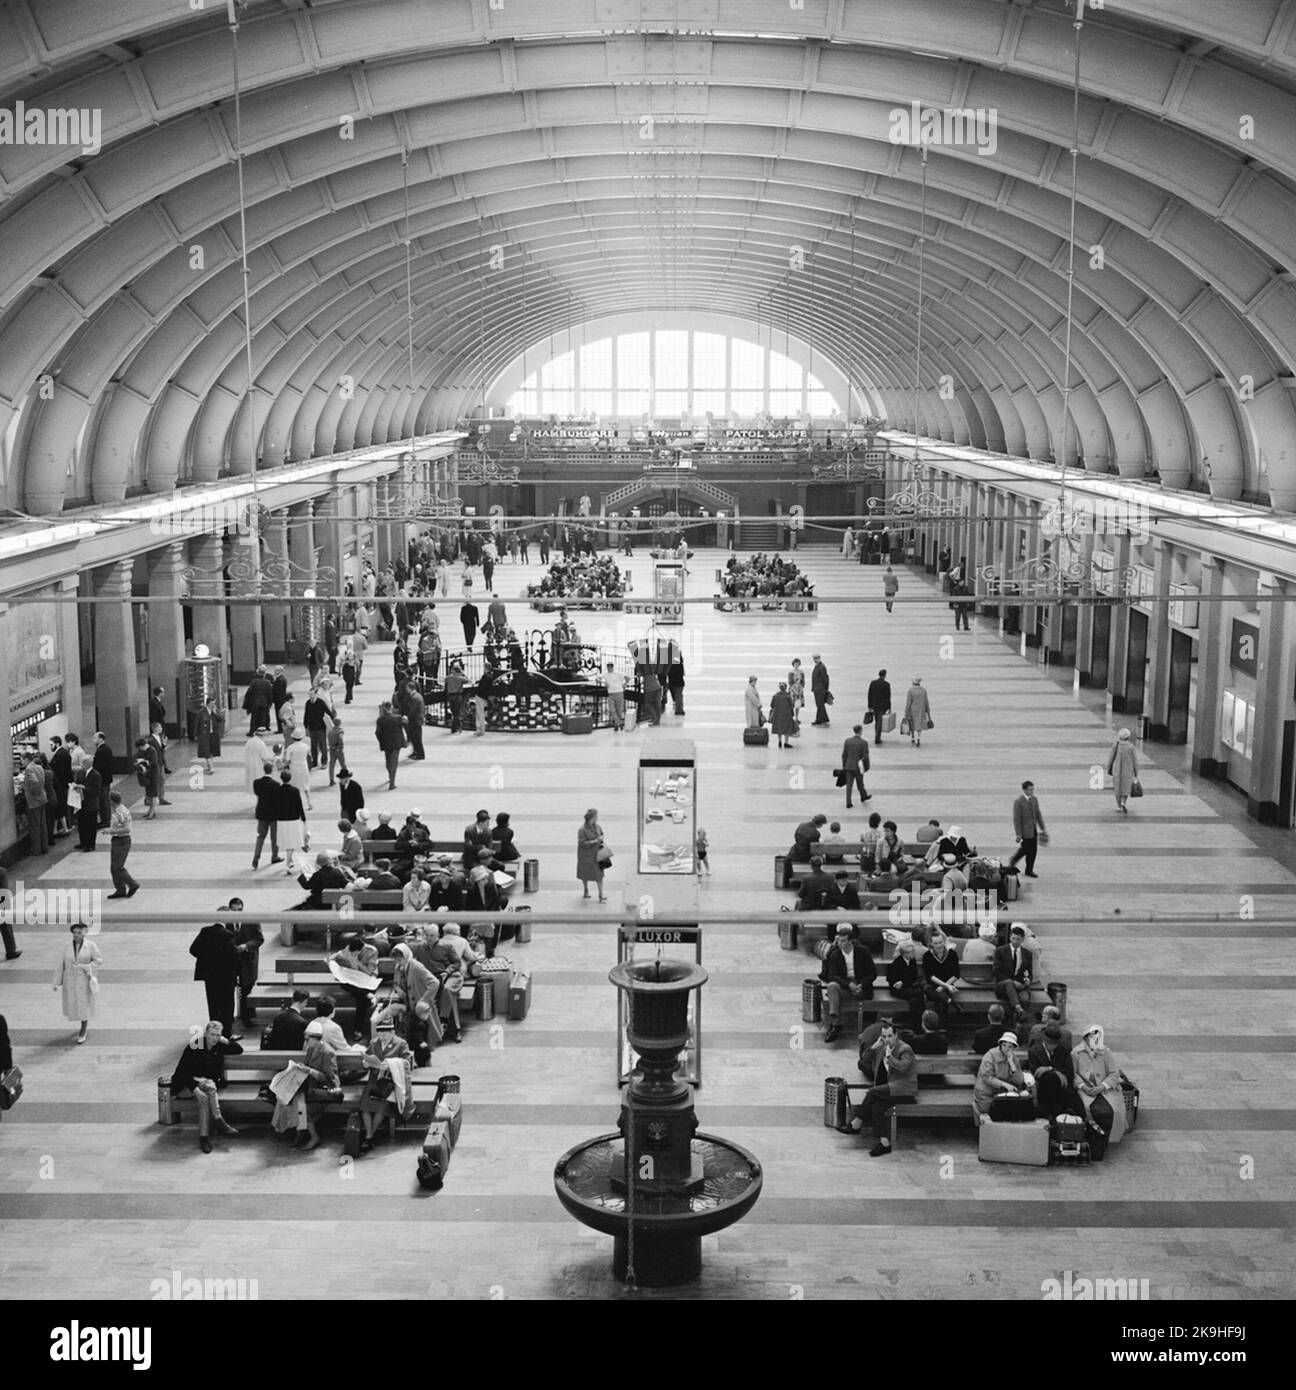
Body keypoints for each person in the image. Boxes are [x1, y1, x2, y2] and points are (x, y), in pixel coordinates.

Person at [170, 1021, 243, 1153]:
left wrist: (224, 1040)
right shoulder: (195, 1046)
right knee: (209, 1087)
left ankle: (204, 1137)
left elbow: (238, 1049)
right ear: (205, 1034)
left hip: (204, 1085)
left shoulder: (219, 1046)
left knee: (205, 1095)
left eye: (217, 1035)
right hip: (184, 1086)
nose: (214, 1038)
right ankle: (218, 1120)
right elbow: (182, 1073)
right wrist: (195, 1089)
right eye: (212, 1034)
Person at [856, 1020, 917, 1156]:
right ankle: (885, 1144)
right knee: (877, 1106)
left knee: (872, 1092)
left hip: (904, 1089)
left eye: (889, 1036)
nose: (887, 1040)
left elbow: (903, 1068)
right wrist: (874, 1047)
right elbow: (864, 1062)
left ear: (896, 1035)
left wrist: (889, 1057)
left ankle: (856, 1123)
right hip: (889, 1090)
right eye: (884, 1037)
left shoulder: (904, 1049)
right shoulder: (881, 1049)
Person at [357, 1016, 415, 1151]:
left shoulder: (401, 1044)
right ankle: (370, 1135)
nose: (382, 1036)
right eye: (380, 1033)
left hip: (390, 1082)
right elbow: (367, 1057)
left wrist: (390, 1065)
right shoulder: (373, 1043)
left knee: (380, 1108)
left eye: (385, 1033)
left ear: (392, 1032)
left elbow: (407, 1063)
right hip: (374, 1080)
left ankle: (369, 1137)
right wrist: (366, 1063)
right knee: (364, 1108)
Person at [1072, 1024, 1126, 1144]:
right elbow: (1073, 1074)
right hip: (1086, 1089)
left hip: (1106, 1089)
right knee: (1088, 1109)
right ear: (1086, 1038)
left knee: (1114, 1110)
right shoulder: (1076, 1053)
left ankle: (1109, 1137)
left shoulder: (1106, 1052)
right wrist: (1083, 1086)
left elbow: (1114, 1073)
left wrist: (1102, 1086)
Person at [820, 925, 875, 1043]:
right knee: (832, 986)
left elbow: (872, 973)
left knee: (833, 994)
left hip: (861, 985)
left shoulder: (862, 951)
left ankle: (835, 1025)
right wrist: (848, 984)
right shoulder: (835, 954)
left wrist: (862, 985)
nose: (840, 943)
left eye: (843, 940)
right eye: (839, 940)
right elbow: (832, 976)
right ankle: (836, 1023)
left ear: (850, 941)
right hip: (845, 986)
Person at [189, 915, 240, 1038]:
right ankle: (226, 1034)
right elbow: (234, 955)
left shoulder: (205, 931)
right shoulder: (227, 934)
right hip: (226, 977)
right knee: (227, 1007)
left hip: (209, 977)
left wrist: (207, 959)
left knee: (213, 1005)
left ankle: (214, 1034)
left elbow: (193, 949)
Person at [53, 922, 101, 1044]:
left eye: (79, 933)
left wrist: (85, 966)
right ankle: (82, 1025)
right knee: (75, 1004)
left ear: (84, 933)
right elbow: (60, 964)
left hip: (84, 979)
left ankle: (83, 1028)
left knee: (84, 1005)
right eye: (74, 933)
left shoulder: (91, 946)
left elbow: (98, 960)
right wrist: (57, 982)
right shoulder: (66, 946)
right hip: (71, 980)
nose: (76, 935)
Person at [331, 933, 380, 1042]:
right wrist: (330, 960)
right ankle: (367, 996)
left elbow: (370, 971)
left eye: (354, 952)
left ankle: (358, 1029)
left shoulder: (372, 951)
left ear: (361, 949)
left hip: (367, 980)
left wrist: (357, 963)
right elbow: (338, 954)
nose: (351, 953)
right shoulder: (349, 948)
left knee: (361, 999)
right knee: (344, 983)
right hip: (354, 981)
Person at [973, 1032, 1029, 1119]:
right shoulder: (990, 1055)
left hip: (1002, 1094)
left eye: (1010, 1046)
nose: (1006, 1048)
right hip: (986, 1093)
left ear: (1014, 1048)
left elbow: (1020, 1080)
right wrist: (1004, 1084)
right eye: (1004, 1045)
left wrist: (1012, 1066)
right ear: (1000, 1045)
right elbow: (986, 1076)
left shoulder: (1014, 1058)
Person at [228, 899, 262, 1029]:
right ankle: (230, 1017)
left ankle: (246, 1016)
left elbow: (259, 938)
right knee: (230, 990)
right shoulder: (226, 923)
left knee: (246, 989)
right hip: (232, 962)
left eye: (240, 910)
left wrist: (246, 946)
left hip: (247, 961)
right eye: (234, 910)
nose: (237, 913)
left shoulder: (251, 921)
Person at [993, 923, 1036, 1030]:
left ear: (1022, 940)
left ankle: (1018, 1027)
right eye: (1013, 938)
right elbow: (996, 972)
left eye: (1018, 939)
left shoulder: (1027, 954)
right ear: (1010, 937)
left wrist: (1026, 981)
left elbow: (1028, 972)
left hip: (1018, 986)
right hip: (1002, 985)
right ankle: (1019, 1009)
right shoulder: (1000, 951)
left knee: (1025, 998)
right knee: (1009, 984)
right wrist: (1012, 982)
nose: (1015, 941)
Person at [921, 928, 962, 1026]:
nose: (939, 945)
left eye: (940, 942)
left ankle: (941, 1029)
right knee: (927, 988)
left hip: (948, 983)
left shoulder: (952, 954)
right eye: (936, 943)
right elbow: (929, 976)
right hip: (934, 985)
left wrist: (945, 986)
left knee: (939, 1001)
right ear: (931, 944)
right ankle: (950, 1001)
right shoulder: (927, 956)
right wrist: (945, 986)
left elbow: (956, 974)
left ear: (944, 941)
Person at [1008, 779, 1046, 877]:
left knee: (1033, 851)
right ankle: (1014, 859)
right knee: (1026, 849)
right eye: (1030, 790)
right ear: (1024, 790)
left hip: (1033, 830)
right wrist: (1018, 834)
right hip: (1025, 832)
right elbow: (1017, 819)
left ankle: (1029, 869)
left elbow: (1038, 814)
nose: (1032, 792)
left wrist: (1042, 827)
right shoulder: (1019, 802)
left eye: (1033, 789)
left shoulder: (1034, 799)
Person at [274, 770, 309, 876]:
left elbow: (275, 804)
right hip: (293, 819)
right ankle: (287, 864)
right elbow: (299, 805)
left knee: (287, 841)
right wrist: (303, 818)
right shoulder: (295, 790)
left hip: (281, 819)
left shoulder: (277, 790)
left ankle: (290, 861)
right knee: (291, 842)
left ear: (281, 778)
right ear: (290, 778)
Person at [106, 791, 140, 898]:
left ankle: (132, 884)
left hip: (122, 841)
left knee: (117, 867)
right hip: (117, 840)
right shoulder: (118, 810)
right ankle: (120, 889)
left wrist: (110, 831)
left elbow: (127, 828)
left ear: (112, 801)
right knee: (113, 867)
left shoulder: (121, 812)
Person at [885, 936, 925, 1029]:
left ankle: (916, 1024)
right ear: (905, 954)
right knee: (919, 994)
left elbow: (914, 976)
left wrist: (904, 981)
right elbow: (890, 979)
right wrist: (898, 982)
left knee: (914, 1000)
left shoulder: (912, 961)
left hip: (908, 987)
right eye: (912, 952)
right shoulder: (896, 963)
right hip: (897, 989)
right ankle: (919, 1023)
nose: (914, 953)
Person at [577, 808, 607, 902]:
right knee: (585, 874)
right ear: (592, 818)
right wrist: (595, 841)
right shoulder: (582, 830)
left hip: (597, 855)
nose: (597, 818)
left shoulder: (597, 826)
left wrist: (601, 838)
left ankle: (601, 895)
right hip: (586, 856)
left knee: (599, 876)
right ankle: (586, 890)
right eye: (596, 816)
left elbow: (602, 834)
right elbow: (582, 843)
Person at [1105, 728, 1139, 813]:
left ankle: (1118, 806)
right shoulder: (1131, 747)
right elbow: (1135, 761)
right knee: (1126, 787)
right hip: (1128, 770)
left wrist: (1108, 769)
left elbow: (1110, 758)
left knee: (1117, 787)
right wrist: (1136, 772)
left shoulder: (1115, 745)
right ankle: (1123, 802)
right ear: (1128, 736)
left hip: (1116, 769)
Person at [375, 701, 407, 790]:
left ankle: (390, 775)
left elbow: (378, 733)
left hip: (386, 743)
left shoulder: (380, 720)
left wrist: (381, 740)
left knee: (388, 761)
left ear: (384, 709)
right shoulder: (398, 718)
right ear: (391, 707)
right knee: (394, 762)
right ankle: (392, 781)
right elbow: (405, 724)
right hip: (396, 743)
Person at [22, 754, 49, 854]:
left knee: (35, 826)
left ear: (26, 759)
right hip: (42, 799)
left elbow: (35, 783)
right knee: (43, 824)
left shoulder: (29, 769)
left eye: (22, 760)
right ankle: (44, 846)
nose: (21, 762)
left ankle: (36, 849)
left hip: (34, 801)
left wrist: (33, 794)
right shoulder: (39, 767)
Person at [840, 724, 871, 808]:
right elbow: (866, 756)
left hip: (849, 766)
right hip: (858, 767)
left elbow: (844, 755)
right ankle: (863, 796)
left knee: (849, 785)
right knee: (860, 783)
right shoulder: (864, 743)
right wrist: (867, 767)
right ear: (860, 731)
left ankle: (848, 802)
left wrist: (844, 765)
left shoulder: (848, 741)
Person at [75, 764, 102, 852]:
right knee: (82, 824)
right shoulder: (81, 773)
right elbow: (77, 781)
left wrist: (85, 788)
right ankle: (83, 842)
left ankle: (90, 844)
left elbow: (96, 790)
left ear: (88, 763)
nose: (82, 764)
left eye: (84, 762)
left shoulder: (96, 775)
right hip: (81, 802)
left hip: (91, 803)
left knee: (90, 825)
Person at [242, 667, 274, 736]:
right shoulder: (267, 682)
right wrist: (270, 702)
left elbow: (249, 693)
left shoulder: (254, 682)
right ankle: (261, 731)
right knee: (262, 717)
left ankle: (252, 731)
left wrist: (247, 703)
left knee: (254, 718)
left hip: (255, 702)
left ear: (258, 673)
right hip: (264, 703)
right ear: (264, 674)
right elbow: (269, 694)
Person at [195, 696, 223, 774]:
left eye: (214, 703)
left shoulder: (215, 711)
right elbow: (197, 724)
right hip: (204, 735)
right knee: (206, 751)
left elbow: (221, 719)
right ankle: (211, 767)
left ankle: (208, 764)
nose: (213, 705)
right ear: (207, 704)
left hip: (213, 734)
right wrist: (196, 735)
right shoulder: (201, 712)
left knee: (212, 751)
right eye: (212, 703)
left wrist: (215, 712)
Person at [91, 732, 114, 826]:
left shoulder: (101, 750)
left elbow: (99, 767)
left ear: (101, 739)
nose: (93, 740)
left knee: (103, 800)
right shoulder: (106, 748)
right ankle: (106, 819)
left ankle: (105, 821)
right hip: (106, 778)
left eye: (95, 738)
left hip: (103, 779)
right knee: (105, 799)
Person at [903, 676, 931, 747]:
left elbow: (908, 703)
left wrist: (906, 711)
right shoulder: (923, 690)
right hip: (921, 710)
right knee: (919, 724)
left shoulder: (910, 691)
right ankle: (918, 738)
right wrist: (928, 712)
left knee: (912, 723)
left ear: (913, 683)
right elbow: (926, 702)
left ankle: (913, 737)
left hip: (913, 709)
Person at [866, 668, 891, 745]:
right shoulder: (886, 684)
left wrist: (869, 705)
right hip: (882, 706)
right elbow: (888, 697)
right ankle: (877, 738)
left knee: (877, 720)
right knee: (879, 721)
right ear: (885, 675)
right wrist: (889, 707)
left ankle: (877, 735)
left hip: (874, 705)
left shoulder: (873, 683)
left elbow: (869, 695)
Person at [769, 681, 797, 748]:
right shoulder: (788, 696)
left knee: (779, 728)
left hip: (777, 715)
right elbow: (791, 705)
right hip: (786, 715)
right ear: (785, 688)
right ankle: (786, 742)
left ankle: (779, 741)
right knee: (787, 729)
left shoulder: (775, 696)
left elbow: (772, 705)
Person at [810, 654, 831, 725]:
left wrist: (825, 689)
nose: (815, 660)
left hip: (820, 689)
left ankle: (819, 720)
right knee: (820, 705)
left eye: (816, 658)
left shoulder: (821, 667)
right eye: (814, 659)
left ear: (819, 658)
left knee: (819, 705)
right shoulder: (818, 666)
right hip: (817, 689)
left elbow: (825, 679)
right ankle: (825, 718)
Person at [605, 663, 626, 731]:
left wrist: (624, 685)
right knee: (612, 710)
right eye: (608, 666)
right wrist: (604, 682)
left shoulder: (618, 674)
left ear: (612, 667)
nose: (608, 668)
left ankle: (616, 725)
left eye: (610, 666)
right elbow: (597, 678)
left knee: (618, 711)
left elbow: (627, 678)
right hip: (611, 694)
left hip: (619, 692)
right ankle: (620, 723)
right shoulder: (605, 674)